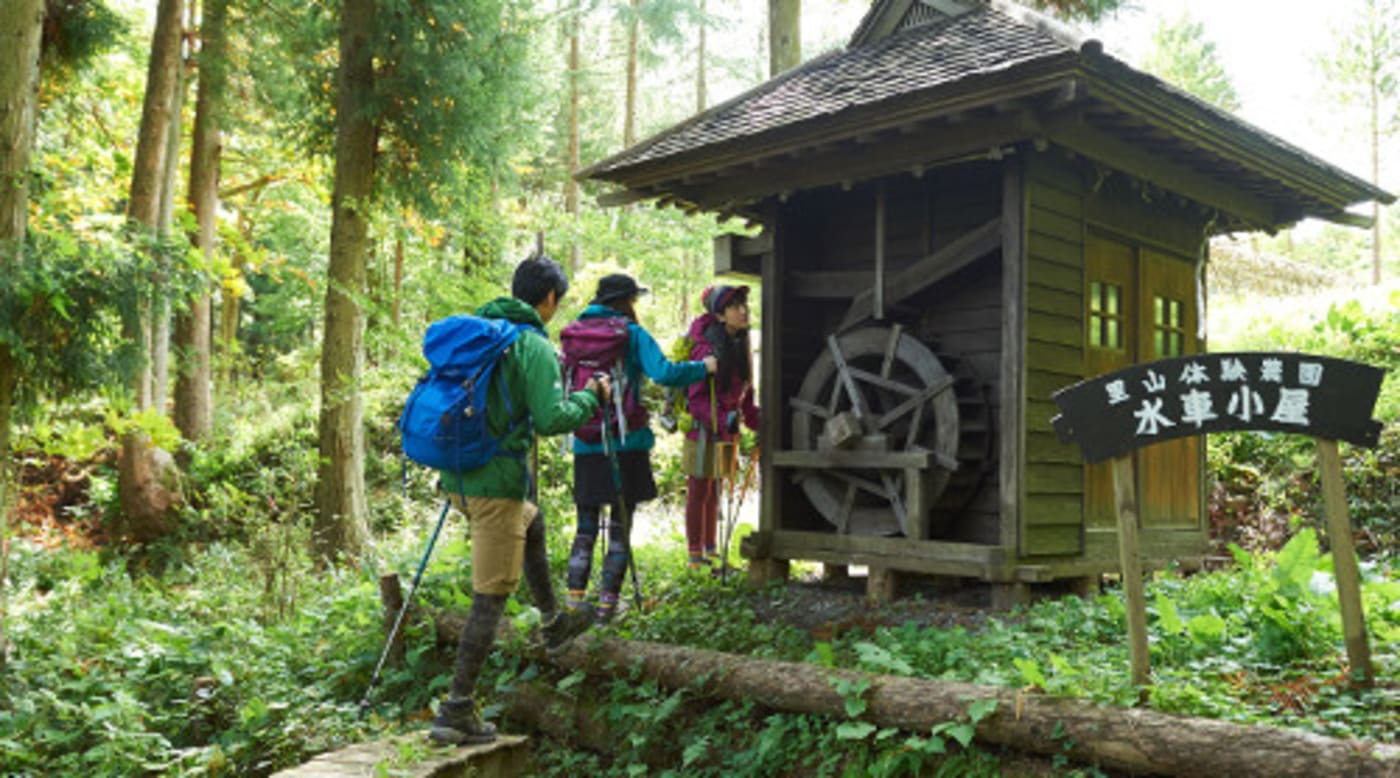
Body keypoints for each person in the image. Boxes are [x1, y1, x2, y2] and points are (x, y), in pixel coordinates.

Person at [430, 254, 610, 747]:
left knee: (532, 522)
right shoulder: (530, 344)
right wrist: (592, 396)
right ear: (548, 299)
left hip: (460, 474)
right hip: (494, 483)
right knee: (492, 595)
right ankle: (456, 709)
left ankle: (553, 622)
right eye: (559, 302)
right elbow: (551, 419)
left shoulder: (481, 331)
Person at [565, 273, 716, 622]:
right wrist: (703, 368)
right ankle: (606, 608)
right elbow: (663, 373)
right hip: (625, 443)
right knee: (620, 525)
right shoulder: (631, 334)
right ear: (626, 301)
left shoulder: (575, 333)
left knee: (585, 525)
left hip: (586, 442)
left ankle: (573, 604)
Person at [683, 284, 760, 570]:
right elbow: (696, 397)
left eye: (744, 305)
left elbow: (746, 394)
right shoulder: (705, 347)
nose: (743, 311)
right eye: (735, 306)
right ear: (720, 314)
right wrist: (721, 418)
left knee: (715, 488)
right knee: (699, 488)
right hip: (702, 429)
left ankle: (711, 551)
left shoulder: (741, 344)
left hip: (725, 429)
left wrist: (758, 423)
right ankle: (695, 555)